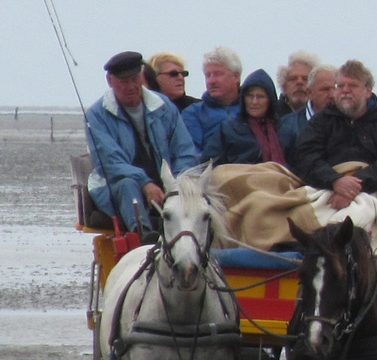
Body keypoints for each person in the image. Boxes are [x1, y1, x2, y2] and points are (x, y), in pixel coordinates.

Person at [82, 51, 200, 237]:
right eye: (124, 81)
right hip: (116, 187)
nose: (131, 86)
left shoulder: (164, 106)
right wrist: (145, 183)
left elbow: (185, 151)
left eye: (135, 79)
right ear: (110, 81)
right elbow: (111, 163)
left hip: (165, 182)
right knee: (128, 184)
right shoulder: (96, 115)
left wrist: (175, 183)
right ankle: (144, 234)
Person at [292, 60, 377, 215]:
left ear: (367, 90)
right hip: (324, 190)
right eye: (340, 86)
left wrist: (353, 186)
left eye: (352, 85)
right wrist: (335, 181)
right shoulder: (320, 122)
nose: (345, 90)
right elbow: (306, 158)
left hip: (370, 193)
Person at [207, 69, 289, 166]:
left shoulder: (284, 129)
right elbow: (208, 163)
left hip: (279, 179)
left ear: (270, 100)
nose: (254, 102)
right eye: (250, 96)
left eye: (260, 97)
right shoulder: (228, 129)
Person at [181, 46, 244, 148]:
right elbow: (191, 152)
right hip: (211, 162)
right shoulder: (193, 113)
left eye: (218, 74)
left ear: (236, 76)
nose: (211, 81)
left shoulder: (253, 109)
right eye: (207, 75)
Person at [279, 51, 321, 118]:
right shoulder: (273, 120)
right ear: (284, 87)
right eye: (293, 79)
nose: (299, 82)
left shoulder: (326, 117)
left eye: (305, 79)